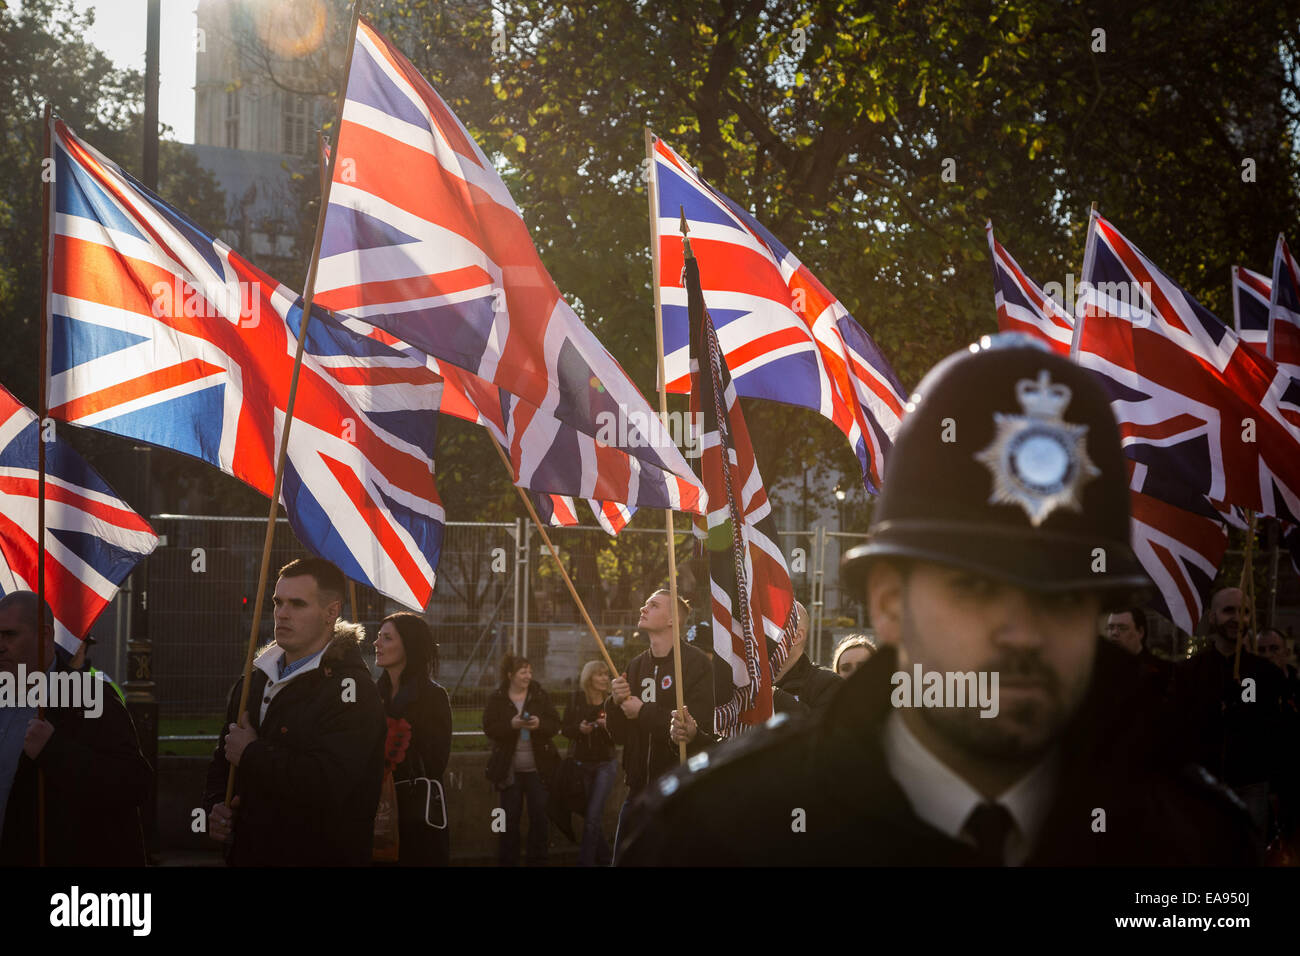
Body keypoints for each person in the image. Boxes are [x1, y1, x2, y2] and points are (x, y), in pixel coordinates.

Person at [618, 335, 1259, 866]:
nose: (1023, 633)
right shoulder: (716, 835)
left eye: (1065, 597)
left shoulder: (1196, 847)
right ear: (889, 603)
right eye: (978, 588)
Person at [201, 558, 387, 866]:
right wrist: (216, 805)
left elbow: (330, 784)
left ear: (331, 612)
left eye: (298, 604)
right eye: (278, 602)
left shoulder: (352, 690)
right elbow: (224, 757)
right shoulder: (255, 679)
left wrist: (252, 754)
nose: (283, 614)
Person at [0, 591, 150, 865]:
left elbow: (134, 783)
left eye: (10, 635)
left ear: (44, 636)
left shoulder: (90, 697)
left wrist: (55, 751)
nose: (0, 645)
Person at [607, 588, 715, 859]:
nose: (643, 608)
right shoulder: (635, 665)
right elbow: (618, 734)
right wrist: (614, 703)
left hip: (677, 794)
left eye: (653, 605)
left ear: (672, 620)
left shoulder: (696, 664)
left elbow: (694, 726)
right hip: (637, 793)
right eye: (645, 604)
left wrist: (643, 711)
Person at [1174, 586, 1291, 835]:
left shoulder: (1266, 674)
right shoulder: (1189, 672)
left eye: (1244, 612)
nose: (1237, 619)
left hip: (1251, 786)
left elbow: (1278, 733)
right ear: (1212, 617)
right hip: (1201, 787)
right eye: (1229, 611)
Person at [375, 611, 453, 866]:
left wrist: (394, 747)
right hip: (377, 815)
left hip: (415, 818)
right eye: (378, 637)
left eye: (386, 638)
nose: (377, 644)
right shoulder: (372, 696)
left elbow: (435, 763)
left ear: (408, 644)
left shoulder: (433, 696)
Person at [482, 654, 560, 866]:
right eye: (523, 672)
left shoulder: (539, 694)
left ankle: (538, 860)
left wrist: (539, 724)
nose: (528, 676)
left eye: (530, 671)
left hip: (538, 770)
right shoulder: (498, 697)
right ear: (510, 675)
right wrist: (512, 725)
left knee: (540, 818)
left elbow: (554, 724)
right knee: (507, 820)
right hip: (509, 772)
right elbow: (489, 727)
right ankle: (508, 861)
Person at [561, 659, 618, 866]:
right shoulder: (576, 699)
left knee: (593, 818)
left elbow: (620, 737)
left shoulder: (611, 702)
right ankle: (608, 859)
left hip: (605, 765)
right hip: (580, 765)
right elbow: (564, 729)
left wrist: (608, 726)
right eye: (600, 674)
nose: (605, 678)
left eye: (606, 675)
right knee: (590, 820)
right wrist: (579, 729)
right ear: (589, 677)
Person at [773, 601, 843, 716]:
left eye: (772, 625)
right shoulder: (745, 682)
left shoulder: (828, 684)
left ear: (796, 637)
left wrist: (775, 696)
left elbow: (822, 729)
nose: (761, 631)